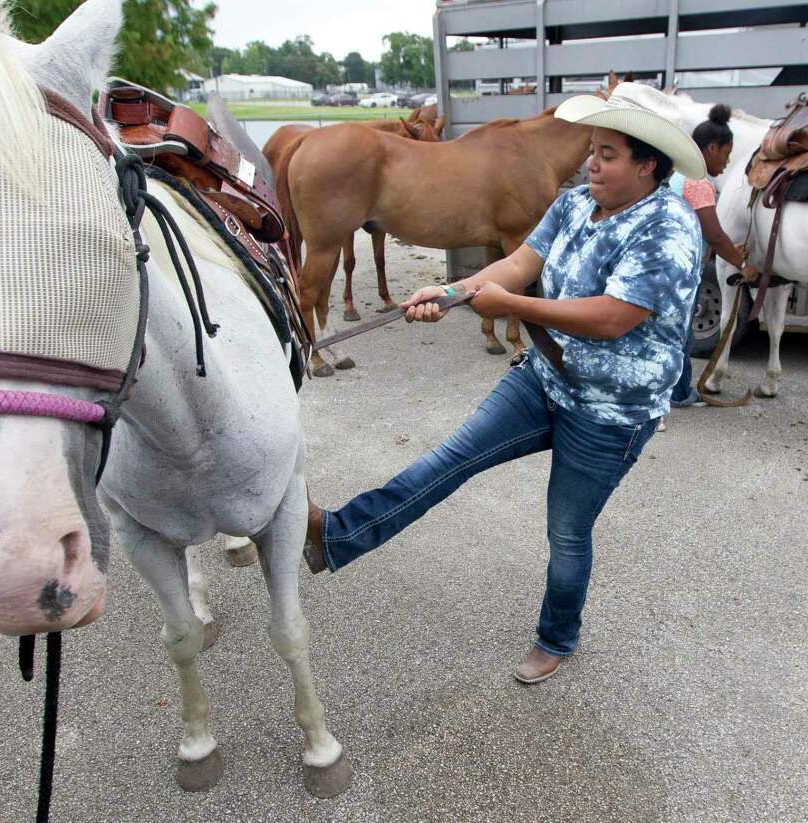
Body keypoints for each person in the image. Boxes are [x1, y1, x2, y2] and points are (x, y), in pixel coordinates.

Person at [304, 83, 706, 684]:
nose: (590, 162)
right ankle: (338, 533)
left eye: (609, 155)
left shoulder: (667, 228)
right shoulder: (574, 205)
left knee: (567, 532)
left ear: (648, 164)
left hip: (610, 412)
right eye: (591, 149)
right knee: (448, 460)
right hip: (546, 377)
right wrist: (453, 291)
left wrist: (513, 306)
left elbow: (613, 316)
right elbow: (518, 264)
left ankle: (557, 637)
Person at [666, 104, 759, 409]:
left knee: (673, 335)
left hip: (668, 267)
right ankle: (677, 395)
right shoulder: (698, 182)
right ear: (711, 148)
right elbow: (714, 233)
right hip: (679, 272)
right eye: (726, 153)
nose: (728, 161)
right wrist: (742, 264)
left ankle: (674, 393)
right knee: (680, 338)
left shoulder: (678, 176)